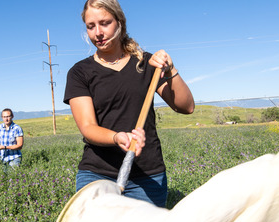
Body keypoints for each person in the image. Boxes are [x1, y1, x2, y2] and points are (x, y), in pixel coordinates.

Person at [64, 0, 195, 207]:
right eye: (91, 26)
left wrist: (170, 70)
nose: (98, 32)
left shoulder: (147, 63)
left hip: (148, 176)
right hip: (98, 174)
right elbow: (87, 127)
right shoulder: (80, 73)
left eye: (105, 23)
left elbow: (186, 107)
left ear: (120, 23)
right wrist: (117, 137)